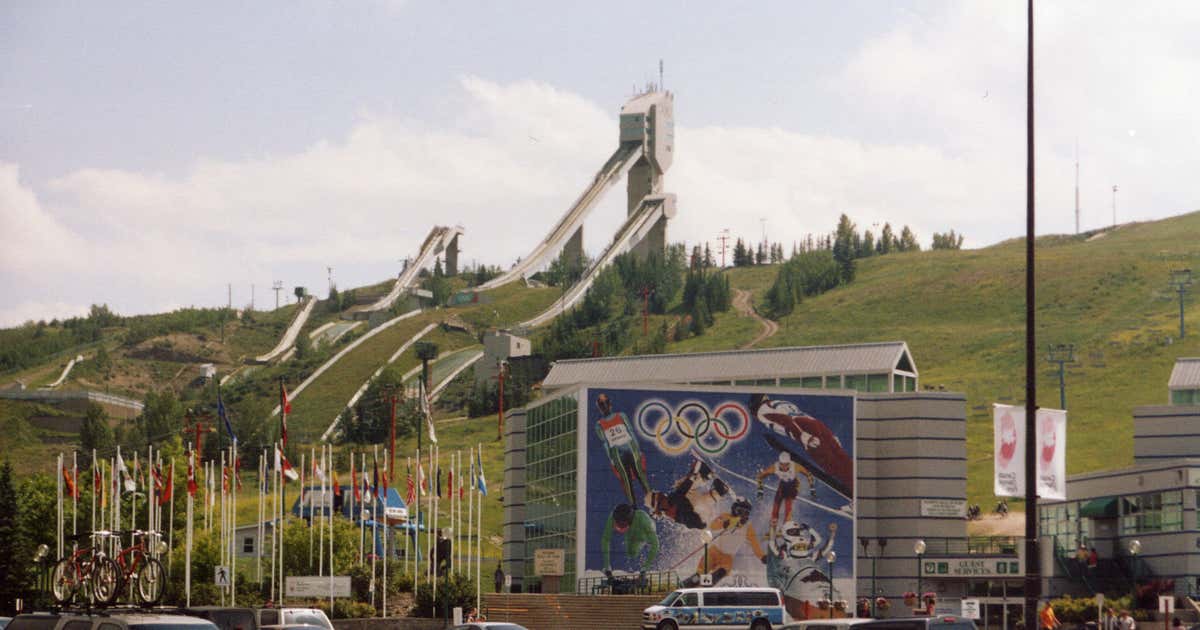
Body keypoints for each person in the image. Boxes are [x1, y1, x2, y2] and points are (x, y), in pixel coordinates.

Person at [594, 393, 651, 505]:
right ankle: (633, 507)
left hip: (628, 447)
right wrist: (611, 459)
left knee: (638, 475)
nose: (605, 407)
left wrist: (638, 450)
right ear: (600, 408)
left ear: (610, 405)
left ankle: (652, 501)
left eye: (606, 403)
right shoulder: (599, 424)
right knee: (627, 479)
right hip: (618, 452)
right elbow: (605, 443)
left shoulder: (620, 416)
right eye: (602, 405)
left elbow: (630, 432)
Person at [646, 458, 733, 530]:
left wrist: (693, 473)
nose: (662, 494)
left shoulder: (669, 504)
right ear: (658, 502)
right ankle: (716, 488)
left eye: (660, 494)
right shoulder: (671, 505)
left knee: (681, 488)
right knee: (691, 497)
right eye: (659, 495)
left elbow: (682, 491)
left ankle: (709, 480)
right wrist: (693, 474)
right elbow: (682, 490)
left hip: (700, 514)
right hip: (701, 515)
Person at [756, 451, 816, 531]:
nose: (784, 467)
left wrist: (812, 488)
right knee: (776, 504)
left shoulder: (795, 466)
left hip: (794, 485)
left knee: (788, 505)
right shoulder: (775, 467)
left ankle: (786, 527)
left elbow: (808, 474)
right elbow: (761, 476)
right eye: (782, 464)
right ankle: (773, 527)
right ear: (779, 462)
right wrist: (760, 490)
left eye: (786, 464)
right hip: (783, 485)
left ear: (789, 463)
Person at [601, 503, 659, 575]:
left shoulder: (643, 520)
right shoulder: (613, 517)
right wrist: (607, 566)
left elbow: (655, 544)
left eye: (623, 525)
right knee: (630, 554)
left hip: (643, 533)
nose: (620, 527)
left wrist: (645, 567)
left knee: (633, 552)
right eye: (618, 524)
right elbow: (606, 539)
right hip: (631, 531)